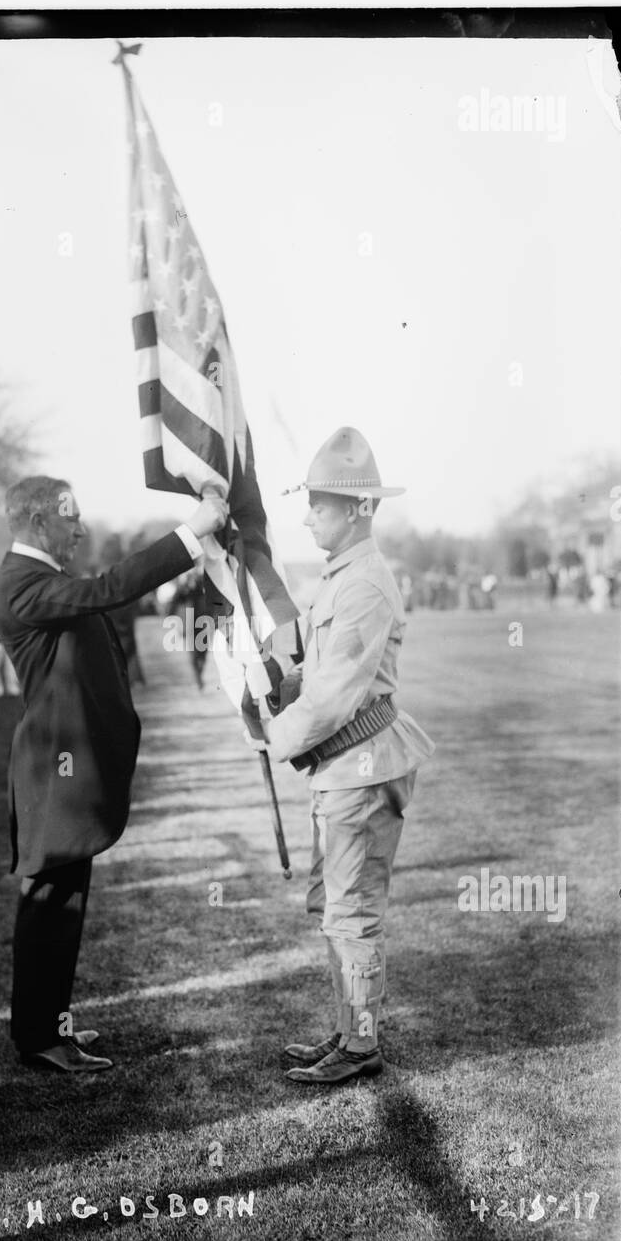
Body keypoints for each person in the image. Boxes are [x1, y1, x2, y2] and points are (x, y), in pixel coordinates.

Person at [0, 474, 228, 1074]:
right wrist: (192, 532)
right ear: (41, 521)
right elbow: (110, 589)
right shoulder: (23, 583)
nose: (81, 526)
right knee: (50, 907)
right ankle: (41, 1037)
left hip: (63, 774)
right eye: (71, 517)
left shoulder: (39, 579)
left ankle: (49, 1026)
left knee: (61, 905)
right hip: (54, 774)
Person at [251, 427, 435, 1085]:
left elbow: (333, 699)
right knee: (337, 907)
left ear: (359, 509)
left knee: (351, 911)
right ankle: (349, 1030)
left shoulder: (361, 586)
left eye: (320, 507)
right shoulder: (343, 578)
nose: (307, 517)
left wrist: (277, 735)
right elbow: (317, 673)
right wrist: (271, 685)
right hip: (347, 766)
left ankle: (360, 1046)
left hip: (360, 764)